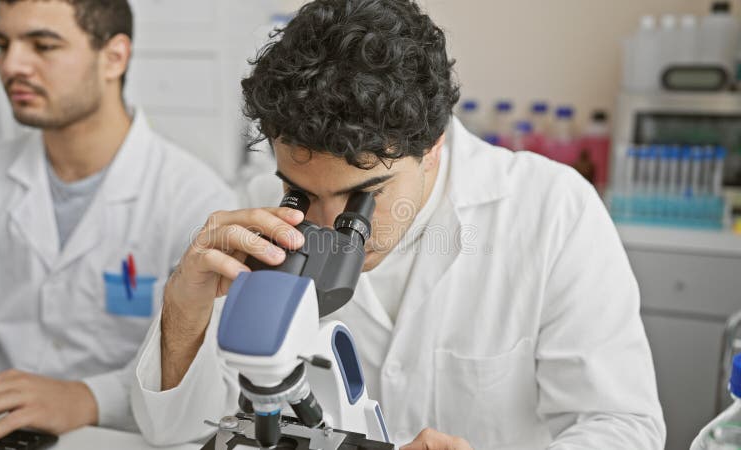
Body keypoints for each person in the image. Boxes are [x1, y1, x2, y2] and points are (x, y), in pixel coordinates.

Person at [130, 0, 666, 449]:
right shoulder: (258, 211)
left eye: (361, 198)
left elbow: (624, 426)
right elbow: (175, 432)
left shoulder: (552, 211)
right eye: (301, 192)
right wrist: (184, 308)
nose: (322, 226)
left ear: (432, 147)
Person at [0, 0, 235, 446]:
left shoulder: (196, 200)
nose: (10, 65)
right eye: (3, 44)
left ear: (114, 57)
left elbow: (201, 380)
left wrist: (86, 398)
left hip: (125, 434)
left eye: (43, 45)